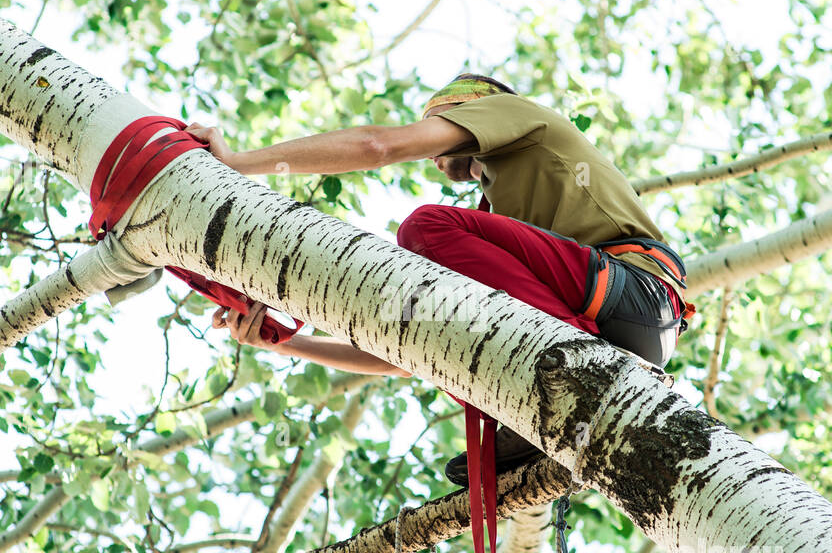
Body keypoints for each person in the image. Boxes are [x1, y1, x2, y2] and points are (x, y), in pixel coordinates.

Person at [188, 74, 693, 483]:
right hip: (617, 320)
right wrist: (289, 345)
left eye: (439, 120)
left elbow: (375, 145)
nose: (431, 143)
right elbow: (407, 353)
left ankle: (570, 370)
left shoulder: (516, 114)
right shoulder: (495, 218)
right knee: (439, 325)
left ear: (477, 107)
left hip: (636, 291)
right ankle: (539, 404)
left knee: (425, 228)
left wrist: (238, 165)